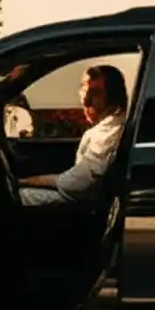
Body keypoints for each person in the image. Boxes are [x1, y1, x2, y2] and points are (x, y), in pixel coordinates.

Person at [18, 64, 128, 206]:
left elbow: (79, 184)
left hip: (86, 205)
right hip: (83, 197)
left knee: (21, 197)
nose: (85, 100)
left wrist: (28, 181)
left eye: (95, 92)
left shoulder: (108, 131)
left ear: (114, 96)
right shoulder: (106, 125)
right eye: (84, 89)